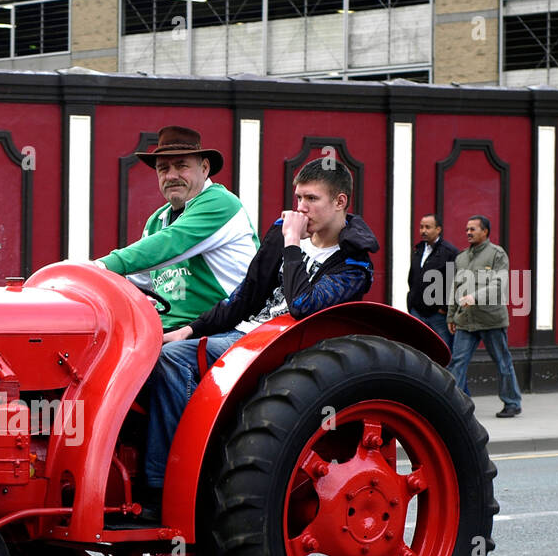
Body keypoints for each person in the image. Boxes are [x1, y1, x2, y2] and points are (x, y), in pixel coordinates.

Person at [140, 159, 379, 506]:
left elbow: (302, 305)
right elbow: (246, 296)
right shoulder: (280, 233)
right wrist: (189, 329)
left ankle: (167, 484)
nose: (301, 208)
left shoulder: (355, 264)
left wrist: (293, 243)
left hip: (282, 347)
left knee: (172, 361)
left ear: (340, 202)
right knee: (153, 353)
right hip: (244, 335)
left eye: (312, 199)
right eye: (298, 198)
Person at [94, 125, 257, 332]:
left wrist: (99, 267)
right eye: (163, 168)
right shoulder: (157, 221)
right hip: (168, 332)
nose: (171, 176)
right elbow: (135, 283)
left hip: (224, 330)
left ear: (205, 168)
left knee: (166, 359)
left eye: (181, 166)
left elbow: (171, 242)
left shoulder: (220, 202)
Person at [447, 215, 521, 418]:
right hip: (466, 320)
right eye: (467, 230)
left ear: (485, 231)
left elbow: (499, 285)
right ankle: (452, 404)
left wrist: (474, 297)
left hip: (491, 319)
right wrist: (451, 316)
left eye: (473, 229)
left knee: (502, 361)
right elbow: (455, 287)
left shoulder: (497, 254)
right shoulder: (461, 257)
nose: (468, 233)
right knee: (458, 362)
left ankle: (512, 402)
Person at [406, 212, 459, 350]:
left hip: (438, 314)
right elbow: (413, 278)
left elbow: (454, 282)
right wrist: (411, 302)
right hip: (417, 311)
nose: (423, 231)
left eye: (428, 227)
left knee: (443, 352)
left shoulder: (449, 252)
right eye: (421, 227)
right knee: (417, 350)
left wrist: (445, 308)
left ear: (438, 229)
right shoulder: (418, 250)